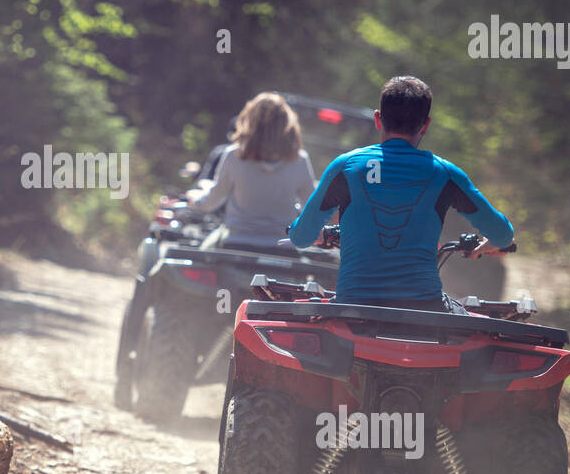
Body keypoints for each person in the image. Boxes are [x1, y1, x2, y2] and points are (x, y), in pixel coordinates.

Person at [287, 76, 513, 312]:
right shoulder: (445, 173)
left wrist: (308, 231)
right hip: (424, 309)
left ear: (378, 119)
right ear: (425, 125)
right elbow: (503, 234)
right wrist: (486, 245)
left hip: (353, 305)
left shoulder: (346, 166)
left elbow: (301, 238)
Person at [186, 92, 316, 250]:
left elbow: (212, 201)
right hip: (282, 248)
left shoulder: (234, 156)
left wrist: (195, 198)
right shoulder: (299, 160)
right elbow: (312, 208)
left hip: (237, 244)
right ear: (287, 124)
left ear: (250, 121)